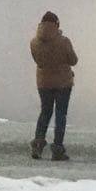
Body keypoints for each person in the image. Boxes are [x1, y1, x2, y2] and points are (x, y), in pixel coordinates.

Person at [29, 10, 77, 160]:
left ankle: (38, 144)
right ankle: (57, 149)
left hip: (43, 83)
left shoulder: (34, 42)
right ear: (56, 24)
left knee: (45, 112)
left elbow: (38, 61)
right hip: (63, 83)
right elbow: (73, 60)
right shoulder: (64, 41)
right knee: (60, 114)